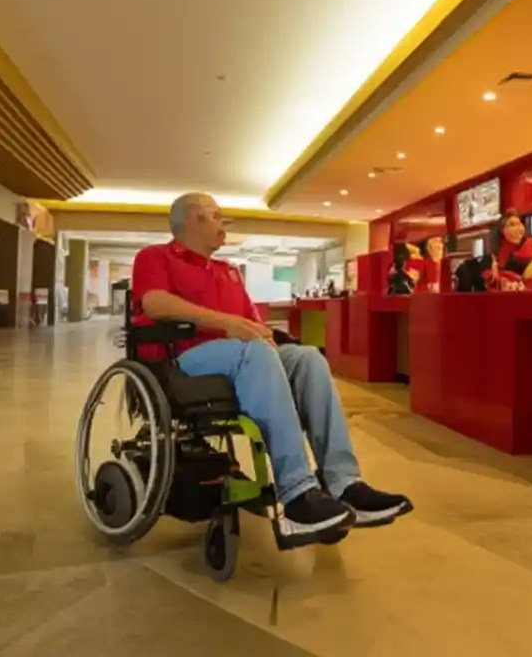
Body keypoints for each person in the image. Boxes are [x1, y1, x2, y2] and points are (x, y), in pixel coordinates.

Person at [131, 192, 413, 544]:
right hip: (184, 357)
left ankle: (343, 482)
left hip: (243, 355)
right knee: (254, 353)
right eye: (217, 217)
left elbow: (252, 324)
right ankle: (296, 492)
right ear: (192, 220)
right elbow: (154, 302)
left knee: (308, 357)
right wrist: (226, 323)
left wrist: (265, 335)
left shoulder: (228, 271)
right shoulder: (155, 257)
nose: (224, 225)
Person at [493, 209, 532, 291]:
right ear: (502, 230)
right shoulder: (502, 248)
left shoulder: (531, 244)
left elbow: (530, 272)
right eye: (511, 225)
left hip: (526, 294)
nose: (517, 228)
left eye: (519, 224)